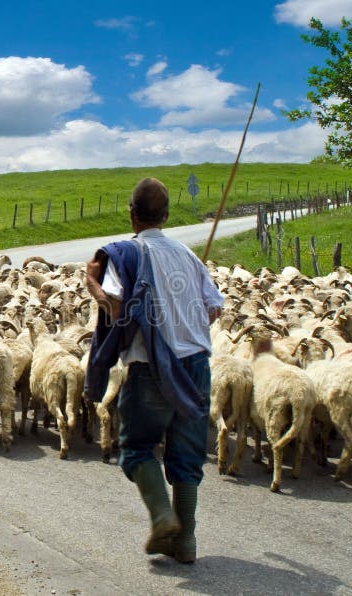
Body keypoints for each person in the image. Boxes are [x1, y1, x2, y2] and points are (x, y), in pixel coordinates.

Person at [84, 177, 223, 564]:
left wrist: (92, 280)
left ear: (132, 216)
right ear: (165, 216)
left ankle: (163, 517)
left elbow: (113, 305)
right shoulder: (188, 255)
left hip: (151, 367)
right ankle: (187, 542)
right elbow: (214, 308)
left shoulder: (128, 255)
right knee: (188, 454)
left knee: (137, 447)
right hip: (195, 364)